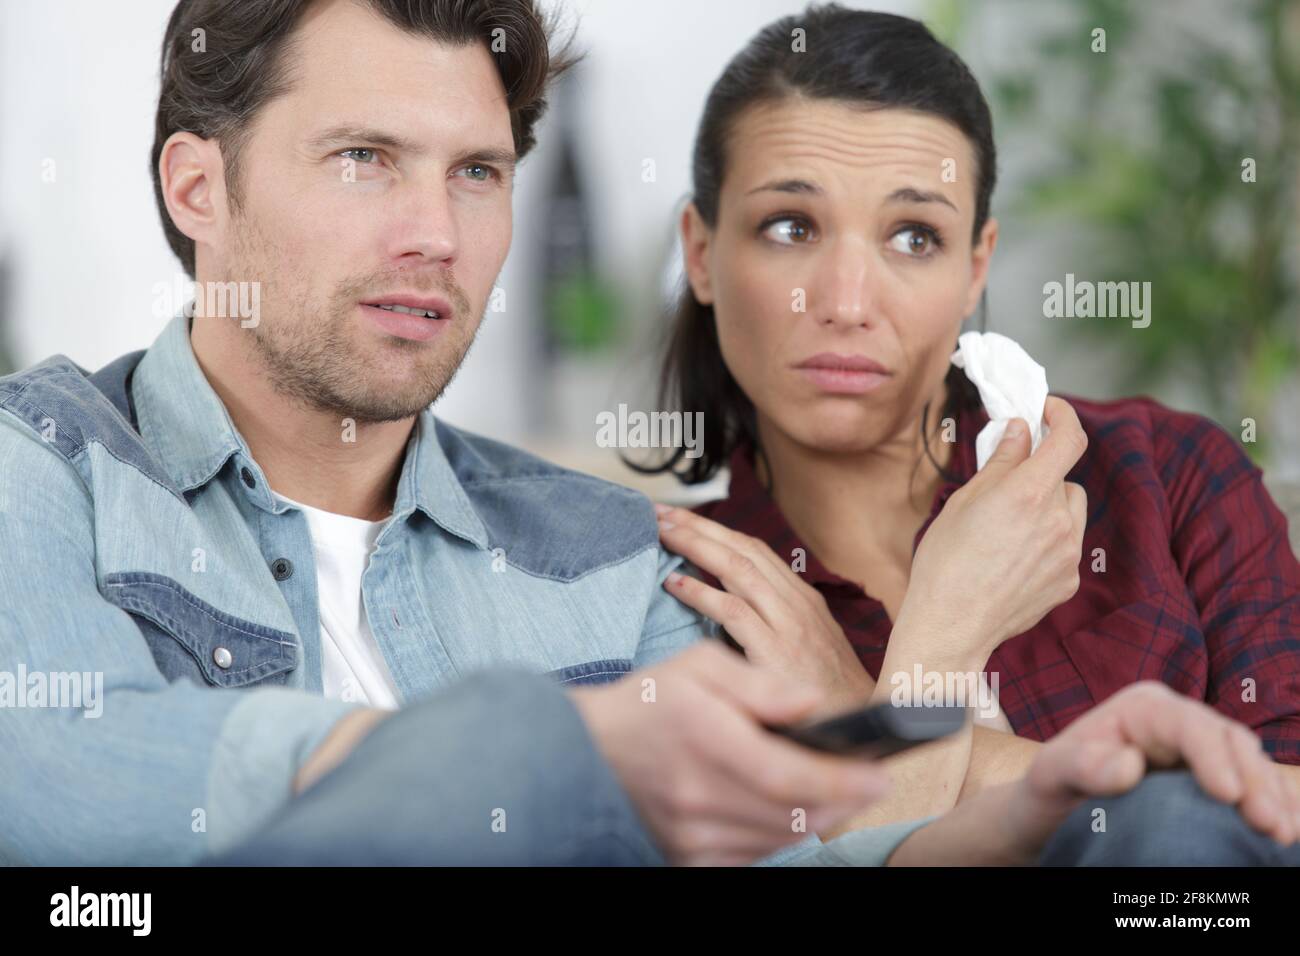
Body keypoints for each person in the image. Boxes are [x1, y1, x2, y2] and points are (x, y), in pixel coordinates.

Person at [1, 0, 1294, 869]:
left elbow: (810, 852)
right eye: (363, 159)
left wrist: (1049, 803)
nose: (436, 238)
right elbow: (48, 773)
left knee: (1163, 823)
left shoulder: (609, 552)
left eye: (476, 172)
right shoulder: (43, 468)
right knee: (515, 740)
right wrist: (545, 754)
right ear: (197, 186)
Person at [641, 3, 1300, 830]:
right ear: (701, 253)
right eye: (790, 226)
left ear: (975, 266)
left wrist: (863, 713)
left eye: (914, 236)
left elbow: (1278, 821)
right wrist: (940, 654)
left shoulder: (1168, 476)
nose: (846, 303)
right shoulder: (676, 598)